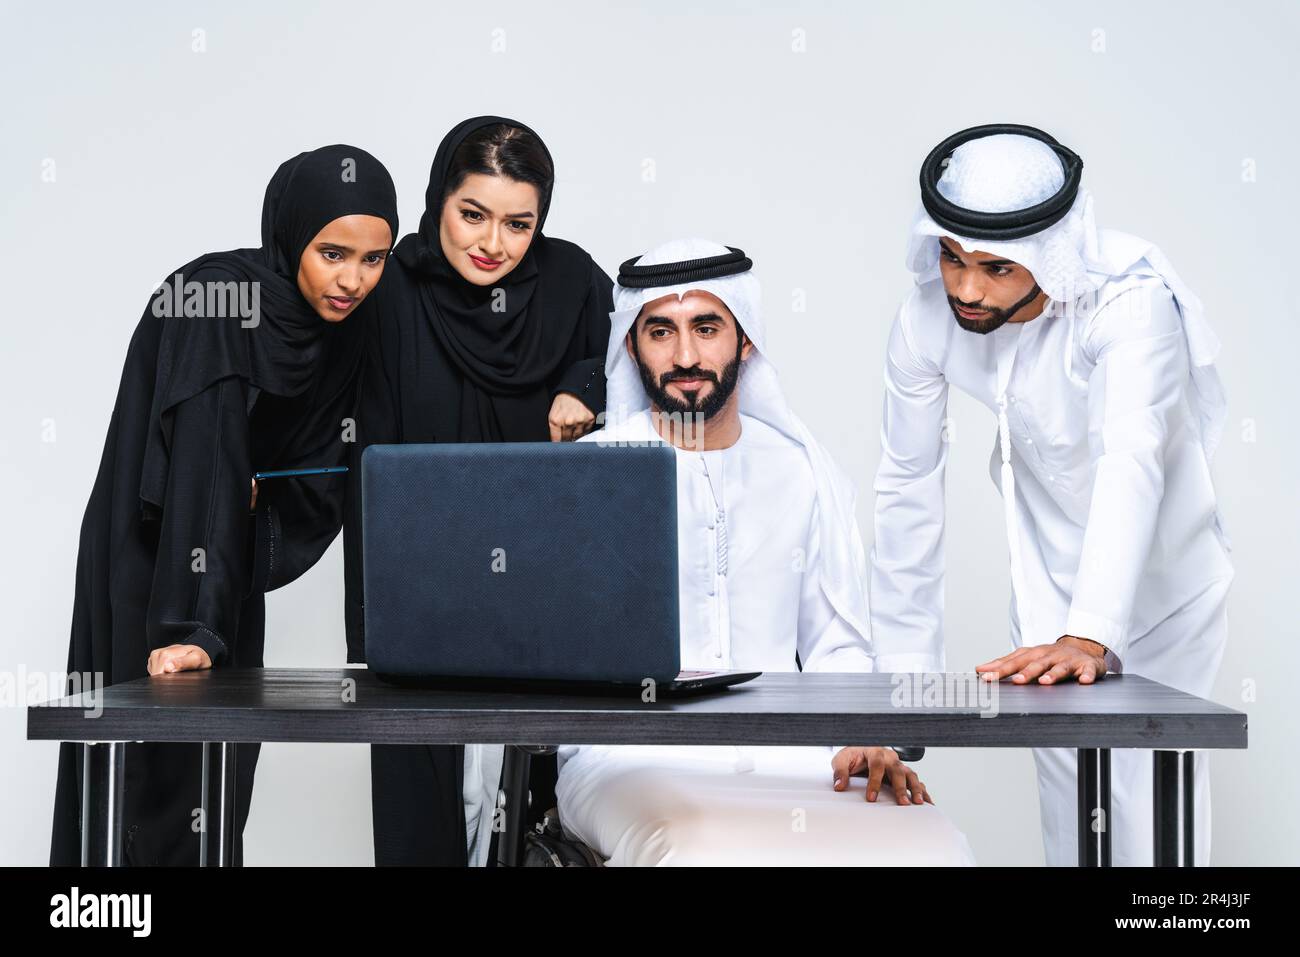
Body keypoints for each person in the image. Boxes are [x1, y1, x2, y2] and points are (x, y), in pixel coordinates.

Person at [869, 124, 1233, 865]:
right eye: (951, 257)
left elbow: (1129, 459)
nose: (966, 287)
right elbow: (906, 488)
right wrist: (899, 687)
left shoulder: (1129, 306)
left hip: (1166, 593)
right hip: (1045, 595)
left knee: (1149, 821)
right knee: (1074, 821)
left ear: (1049, 255)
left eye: (996, 267)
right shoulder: (927, 319)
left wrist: (1091, 634)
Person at [555, 238, 977, 866]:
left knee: (932, 848)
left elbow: (837, 641)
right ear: (632, 346)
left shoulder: (800, 470)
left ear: (744, 339)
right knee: (699, 850)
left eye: (707, 327)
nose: (686, 355)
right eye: (661, 332)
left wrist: (867, 737)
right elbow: (549, 656)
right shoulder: (584, 477)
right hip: (629, 753)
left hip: (797, 749)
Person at [50, 145, 400, 865]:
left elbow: (315, 471)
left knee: (215, 793)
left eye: (374, 259)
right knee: (141, 792)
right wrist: (195, 626)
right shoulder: (218, 297)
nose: (353, 280)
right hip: (152, 567)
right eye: (333, 252)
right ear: (291, 231)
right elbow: (203, 456)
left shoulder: (340, 328)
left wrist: (254, 507)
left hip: (223, 568)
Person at [342, 116, 613, 866]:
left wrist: (586, 384)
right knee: (422, 807)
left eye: (519, 222)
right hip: (418, 589)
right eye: (473, 214)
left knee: (540, 813)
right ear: (438, 203)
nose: (493, 241)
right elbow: (353, 440)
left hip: (547, 599)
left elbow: (633, 387)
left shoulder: (574, 284)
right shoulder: (392, 289)